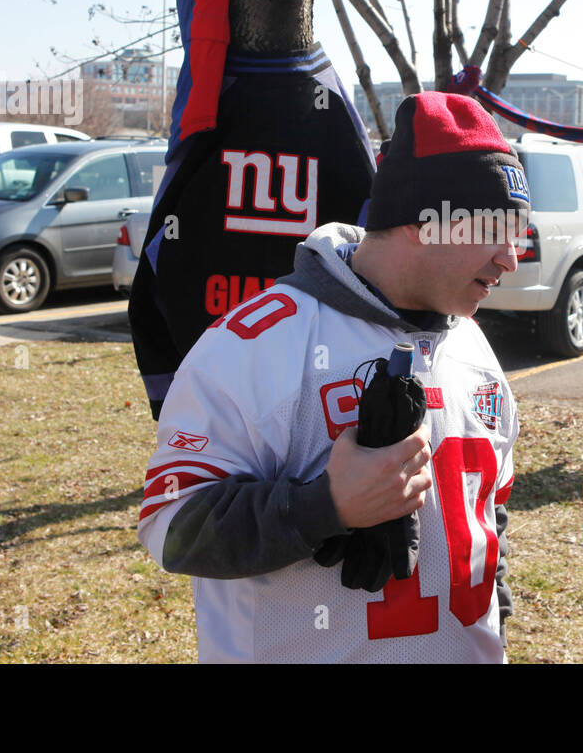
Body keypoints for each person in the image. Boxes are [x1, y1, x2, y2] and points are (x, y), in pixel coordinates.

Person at [137, 91, 530, 663]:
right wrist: (326, 507)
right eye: (498, 229)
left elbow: (487, 513)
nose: (511, 257)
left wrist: (498, 610)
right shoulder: (257, 343)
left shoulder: (471, 342)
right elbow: (171, 527)